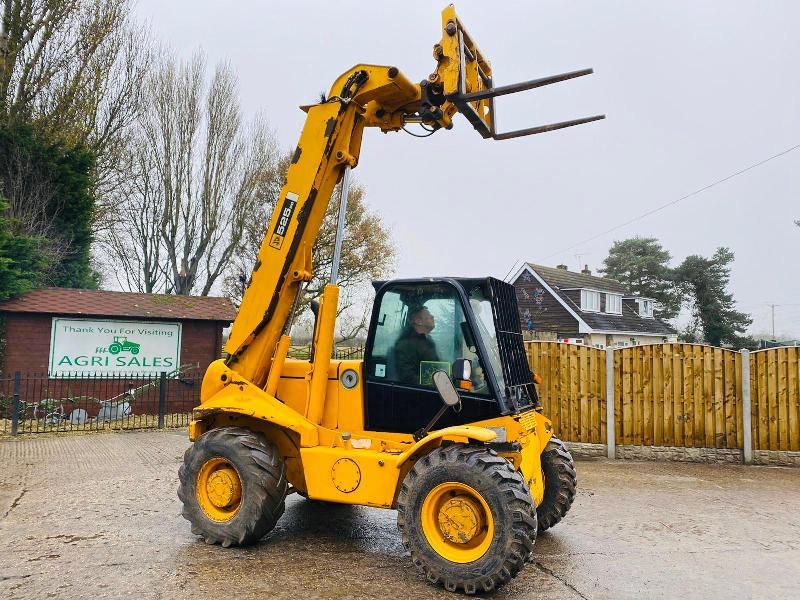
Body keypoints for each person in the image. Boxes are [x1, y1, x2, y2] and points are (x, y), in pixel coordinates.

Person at [393, 305, 439, 384]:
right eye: (428, 315)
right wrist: (432, 384)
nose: (432, 316)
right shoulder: (406, 345)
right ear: (418, 321)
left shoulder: (428, 341)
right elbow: (408, 377)